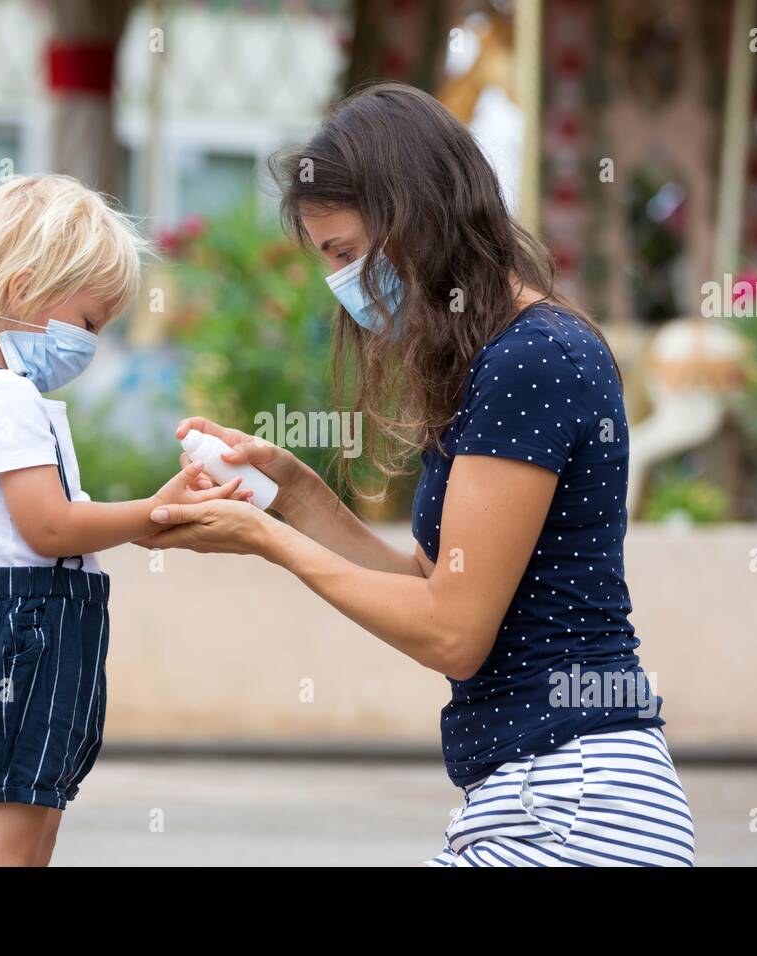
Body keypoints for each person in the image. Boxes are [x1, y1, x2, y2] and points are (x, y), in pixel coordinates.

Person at [138, 84, 695, 866]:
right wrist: (296, 497)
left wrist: (271, 542)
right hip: (538, 798)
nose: (337, 279)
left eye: (343, 251)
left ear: (416, 217)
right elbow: (434, 582)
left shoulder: (530, 359)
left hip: (575, 804)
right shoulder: (493, 360)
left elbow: (452, 633)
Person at [0, 174, 249, 866]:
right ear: (22, 290)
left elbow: (50, 521)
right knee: (9, 840)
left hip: (18, 628)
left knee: (30, 823)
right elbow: (49, 528)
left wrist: (151, 508)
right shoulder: (1, 399)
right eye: (91, 321)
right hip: (24, 634)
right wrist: (149, 517)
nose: (93, 343)